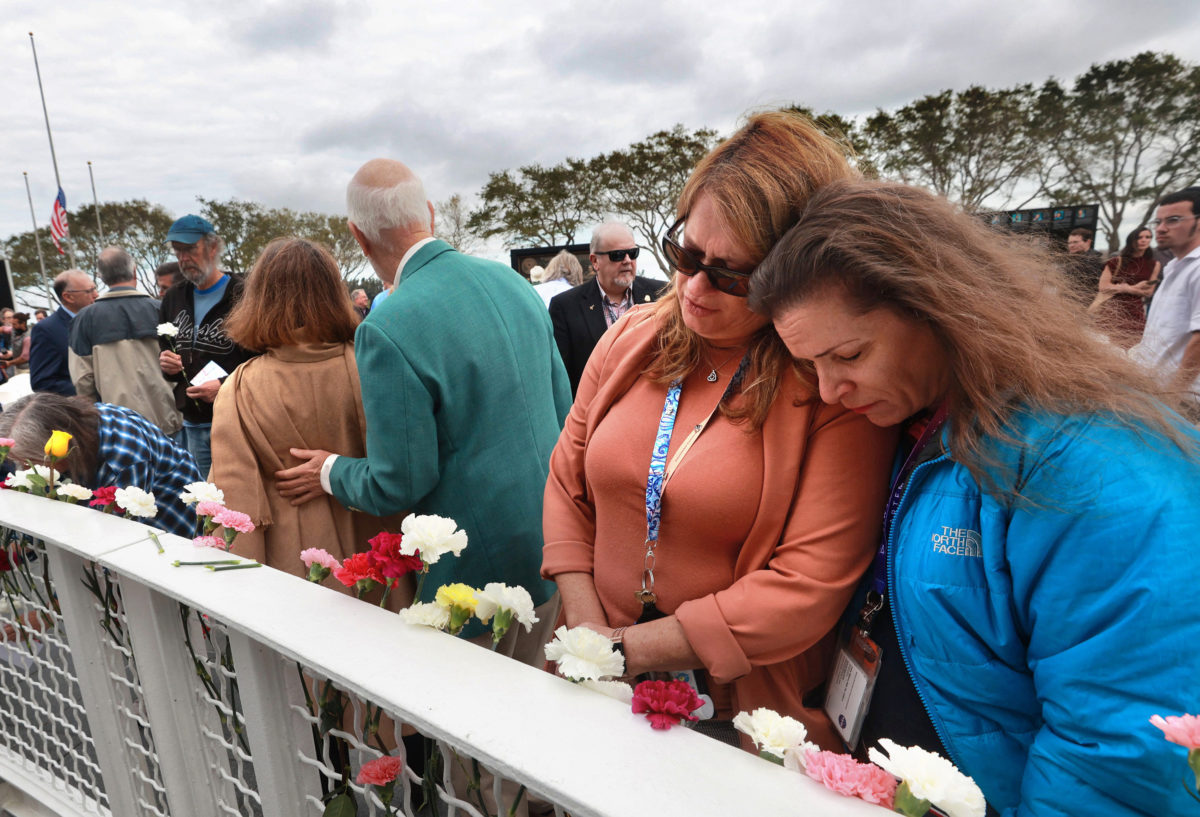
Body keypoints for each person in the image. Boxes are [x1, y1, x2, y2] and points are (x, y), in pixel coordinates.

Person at [751, 177, 1200, 815]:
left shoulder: (1096, 465)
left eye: (848, 354)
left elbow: (1121, 755)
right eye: (812, 365)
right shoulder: (924, 420)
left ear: (936, 304)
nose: (829, 391)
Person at [541, 111, 897, 746]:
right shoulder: (630, 337)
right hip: (594, 665)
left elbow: (807, 584)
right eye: (686, 253)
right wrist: (589, 635)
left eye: (733, 273)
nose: (695, 286)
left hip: (733, 709)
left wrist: (621, 649)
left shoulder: (830, 383)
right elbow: (567, 479)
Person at [276, 158, 570, 659]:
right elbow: (566, 415)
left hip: (474, 588)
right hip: (552, 552)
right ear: (430, 214)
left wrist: (330, 470)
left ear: (358, 236)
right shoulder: (515, 284)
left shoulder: (387, 329)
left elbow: (399, 481)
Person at [210, 237, 406, 593]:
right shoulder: (374, 367)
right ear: (335, 293)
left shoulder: (239, 388)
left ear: (259, 299)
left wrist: (234, 593)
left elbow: (234, 507)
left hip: (293, 569)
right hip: (381, 561)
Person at [0, 393, 202, 537]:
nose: (27, 471)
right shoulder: (77, 423)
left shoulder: (123, 458)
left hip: (170, 527)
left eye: (30, 462)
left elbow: (117, 536)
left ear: (63, 446)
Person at [158, 215, 257, 476]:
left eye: (190, 249)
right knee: (205, 501)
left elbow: (265, 361)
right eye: (178, 251)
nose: (183, 258)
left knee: (239, 501)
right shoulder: (173, 298)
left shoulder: (244, 295)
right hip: (192, 422)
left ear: (212, 248)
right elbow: (166, 353)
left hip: (238, 420)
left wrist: (225, 387)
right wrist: (167, 365)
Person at [69, 247, 181, 436]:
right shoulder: (161, 309)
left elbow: (83, 381)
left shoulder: (83, 320)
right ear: (135, 271)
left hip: (120, 428)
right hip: (169, 420)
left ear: (101, 277)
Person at [549, 222, 665, 395]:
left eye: (632, 253)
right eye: (617, 255)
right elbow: (562, 378)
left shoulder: (662, 294)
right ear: (595, 261)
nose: (627, 260)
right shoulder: (566, 307)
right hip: (598, 412)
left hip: (655, 407)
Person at [1133, 188, 1200, 408]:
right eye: (1158, 221)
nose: (1161, 229)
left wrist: (1174, 397)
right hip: (1156, 391)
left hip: (1181, 400)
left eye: (1173, 220)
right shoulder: (1174, 266)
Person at [1090, 226, 1161, 347]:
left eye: (1148, 237)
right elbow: (1103, 286)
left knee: (1133, 346)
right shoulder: (1116, 261)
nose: (1144, 240)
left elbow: (1149, 291)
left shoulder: (1154, 264)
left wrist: (1127, 288)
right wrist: (1129, 288)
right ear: (1131, 240)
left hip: (1135, 311)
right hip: (1113, 308)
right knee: (1108, 348)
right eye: (1139, 237)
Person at [31, 270, 98, 395]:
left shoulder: (98, 320)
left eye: (95, 288)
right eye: (89, 291)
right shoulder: (46, 330)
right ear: (68, 297)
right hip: (81, 409)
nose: (96, 294)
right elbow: (42, 383)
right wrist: (89, 391)